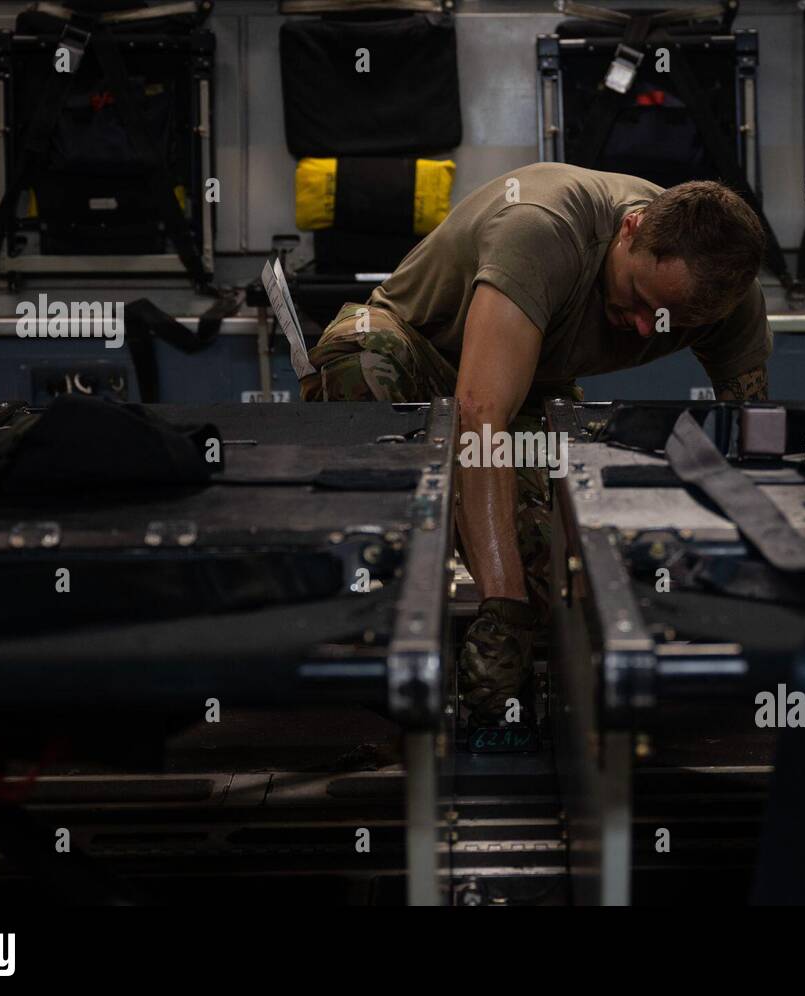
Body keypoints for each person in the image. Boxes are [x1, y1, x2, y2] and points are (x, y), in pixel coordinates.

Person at [299, 162, 771, 726]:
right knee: (367, 370)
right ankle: (375, 620)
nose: (647, 328)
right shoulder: (542, 228)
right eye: (642, 301)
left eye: (672, 322)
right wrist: (504, 611)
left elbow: (753, 446)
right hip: (413, 356)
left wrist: (757, 596)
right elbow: (480, 418)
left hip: (525, 386)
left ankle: (487, 642)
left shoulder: (724, 293)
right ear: (630, 230)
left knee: (548, 582)